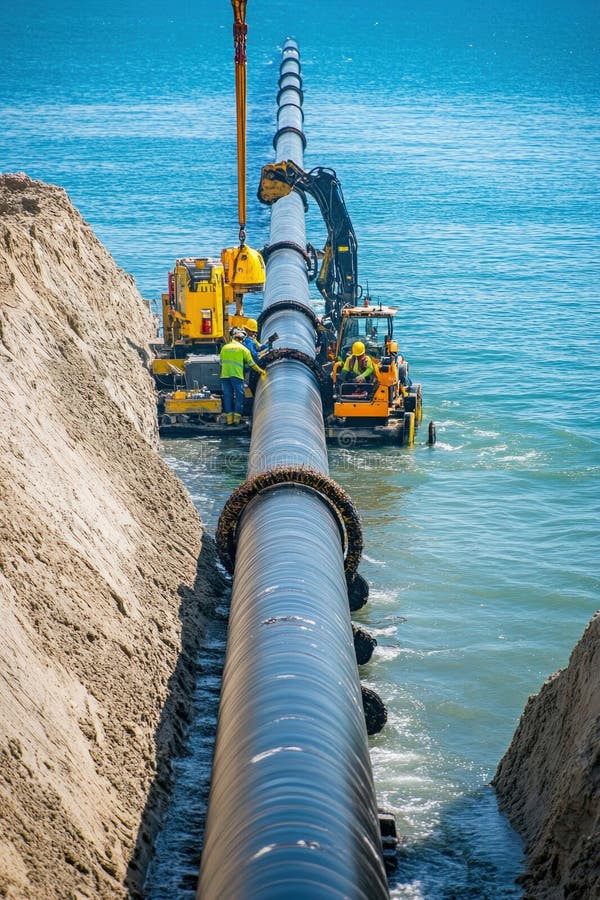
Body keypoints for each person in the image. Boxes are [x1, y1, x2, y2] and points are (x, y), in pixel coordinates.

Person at [220, 328, 266, 425]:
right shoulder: (243, 349)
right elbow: (252, 364)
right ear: (242, 340)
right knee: (239, 396)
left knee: (228, 396)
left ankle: (229, 420)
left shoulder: (225, 347)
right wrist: (261, 371)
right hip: (236, 375)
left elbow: (221, 362)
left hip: (224, 375)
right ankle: (236, 420)